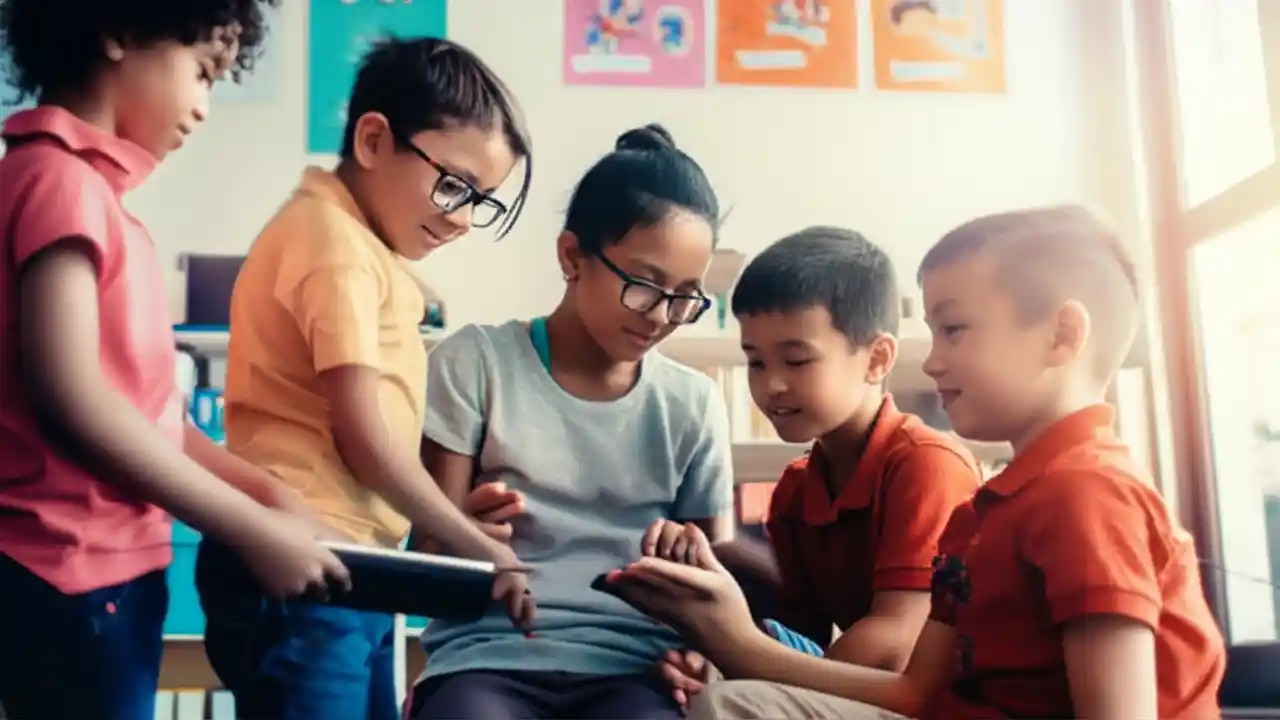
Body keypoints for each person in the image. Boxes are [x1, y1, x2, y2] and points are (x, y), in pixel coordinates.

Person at [603, 205, 1227, 720]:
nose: (931, 362)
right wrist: (724, 641)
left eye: (954, 330)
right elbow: (915, 694)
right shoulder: (990, 510)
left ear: (1062, 335)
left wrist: (734, 644)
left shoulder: (1086, 493)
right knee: (729, 704)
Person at [0, 2, 351, 719]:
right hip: (65, 573)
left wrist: (266, 497)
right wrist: (247, 528)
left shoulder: (92, 198)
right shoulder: (57, 184)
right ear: (118, 30)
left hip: (106, 578)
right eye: (202, 73)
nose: (203, 109)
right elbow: (72, 401)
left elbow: (152, 418)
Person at [194, 37, 533, 720]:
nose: (464, 219)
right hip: (303, 562)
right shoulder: (334, 248)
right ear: (374, 140)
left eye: (484, 202)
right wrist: (471, 546)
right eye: (455, 186)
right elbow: (361, 436)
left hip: (351, 563)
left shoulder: (354, 243)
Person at [406, 123, 735, 720]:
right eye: (644, 285)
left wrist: (695, 643)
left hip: (634, 671)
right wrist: (463, 536)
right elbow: (427, 561)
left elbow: (716, 587)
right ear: (571, 257)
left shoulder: (691, 403)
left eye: (686, 296)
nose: (662, 316)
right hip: (486, 659)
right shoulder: (475, 364)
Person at [653, 227, 980, 710]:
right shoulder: (796, 488)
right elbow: (800, 642)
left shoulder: (927, 464)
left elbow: (895, 643)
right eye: (756, 363)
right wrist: (717, 661)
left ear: (877, 358)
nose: (773, 385)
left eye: (797, 360)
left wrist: (746, 662)